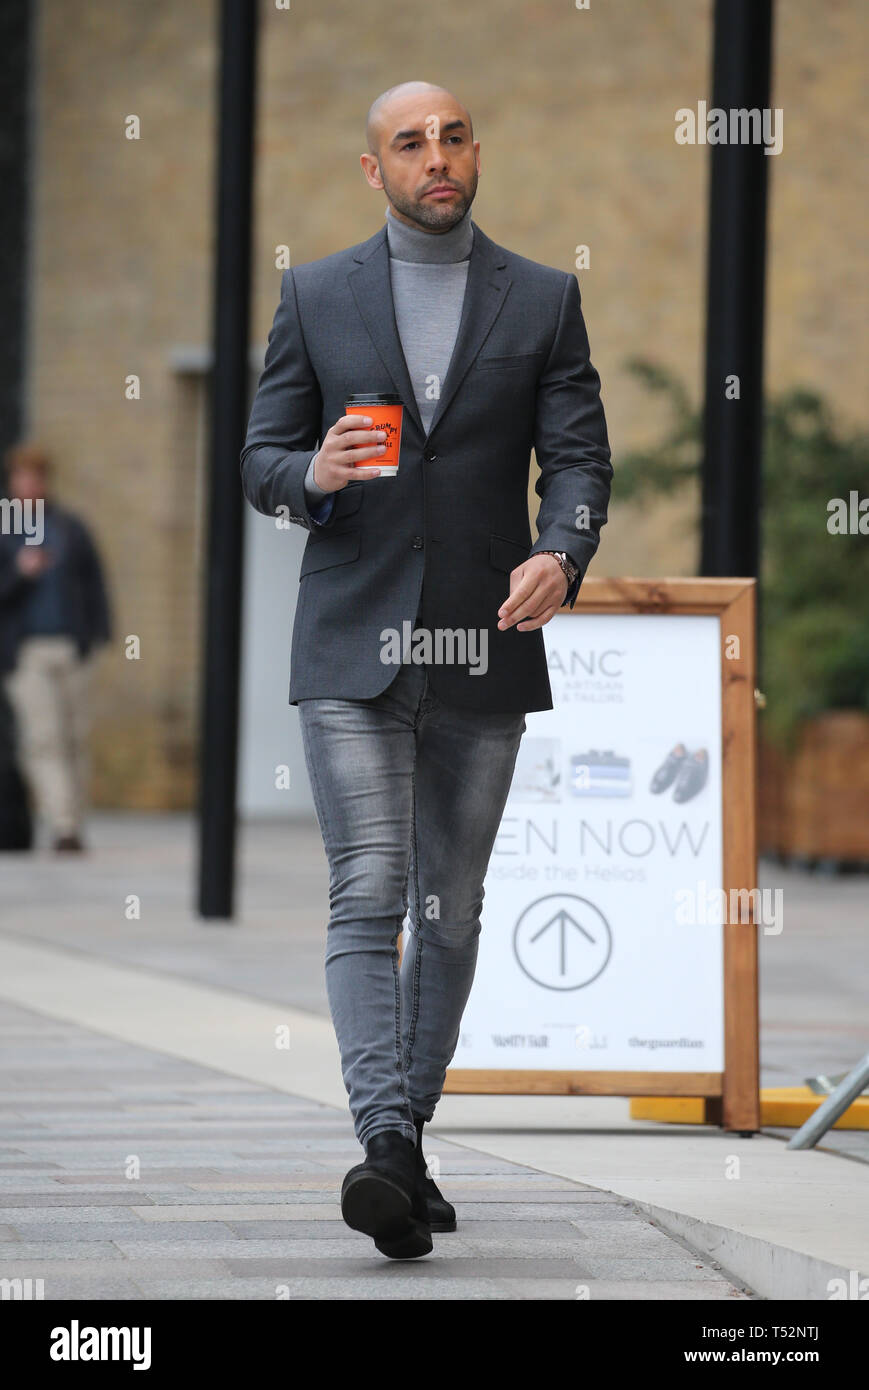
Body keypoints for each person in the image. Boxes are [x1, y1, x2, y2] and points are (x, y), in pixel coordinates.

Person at [241, 81, 612, 1259]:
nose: (434, 157)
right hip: (352, 637)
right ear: (374, 168)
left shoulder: (544, 298)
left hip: (483, 640)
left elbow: (579, 457)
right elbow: (259, 456)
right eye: (409, 143)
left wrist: (563, 549)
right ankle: (384, 1139)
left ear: (475, 153)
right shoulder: (314, 293)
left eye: (452, 137)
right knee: (371, 888)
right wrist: (315, 475)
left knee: (451, 910)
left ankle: (401, 1145)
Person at [0, 443, 111, 851]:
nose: (28, 485)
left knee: (75, 738)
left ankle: (73, 823)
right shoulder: (4, 528)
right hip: (24, 652)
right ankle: (63, 825)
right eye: (21, 477)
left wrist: (98, 635)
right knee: (43, 738)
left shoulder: (68, 527)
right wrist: (19, 573)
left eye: (35, 477)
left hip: (73, 648)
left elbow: (95, 583)